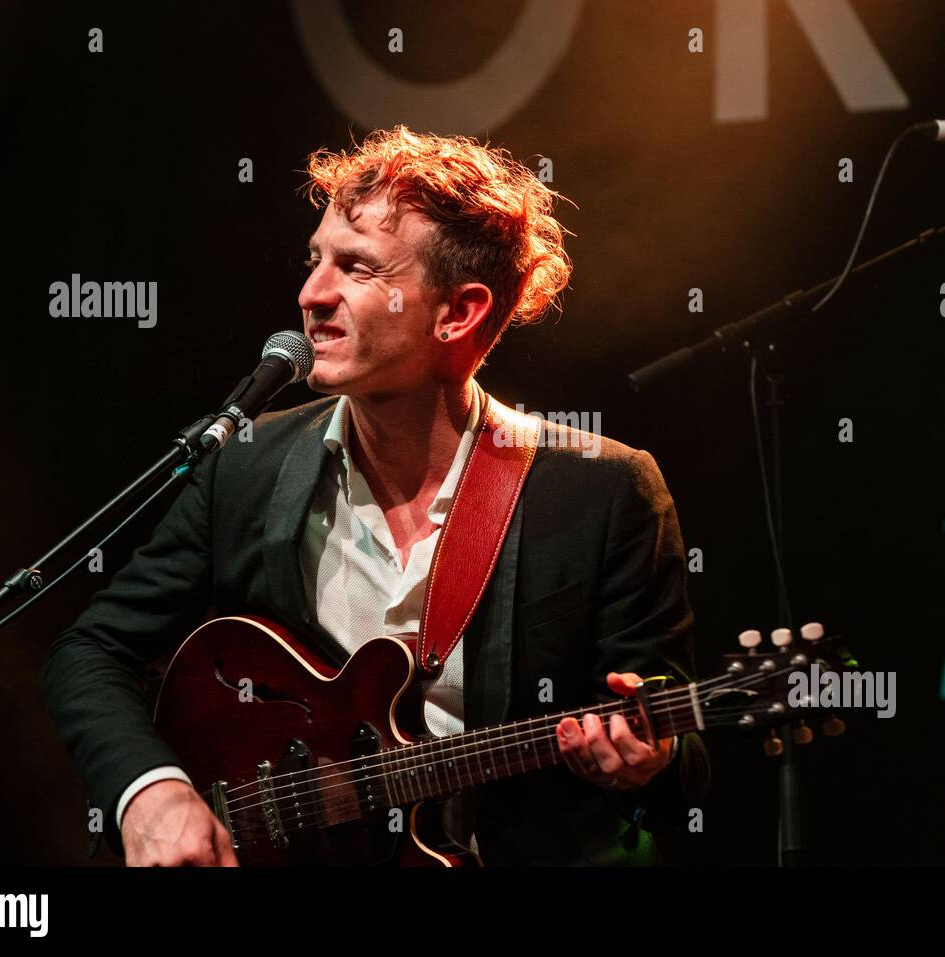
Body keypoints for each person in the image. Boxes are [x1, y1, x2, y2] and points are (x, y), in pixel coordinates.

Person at [42, 125, 707, 866]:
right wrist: (152, 790)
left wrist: (651, 758)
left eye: (355, 268)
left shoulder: (603, 492)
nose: (310, 294)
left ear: (458, 312)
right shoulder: (245, 464)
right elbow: (90, 650)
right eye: (314, 260)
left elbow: (676, 742)